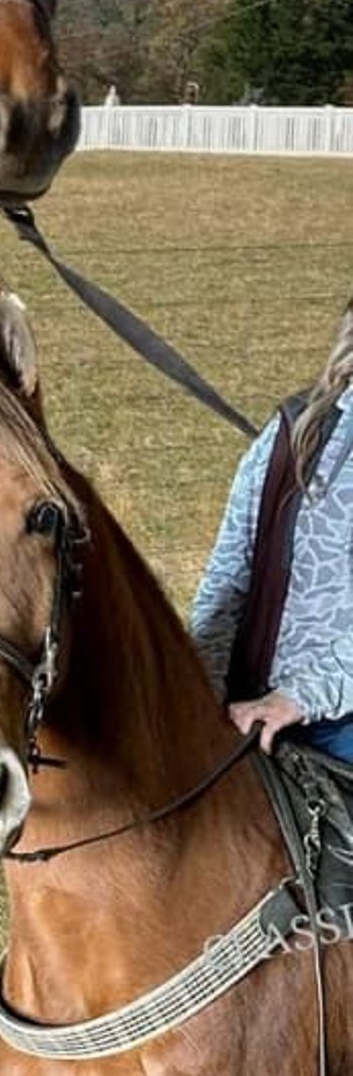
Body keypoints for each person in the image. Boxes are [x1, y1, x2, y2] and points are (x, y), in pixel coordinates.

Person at [191, 295, 353, 759]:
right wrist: (203, 683)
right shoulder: (289, 433)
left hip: (336, 718)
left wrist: (296, 699)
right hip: (245, 701)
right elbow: (228, 576)